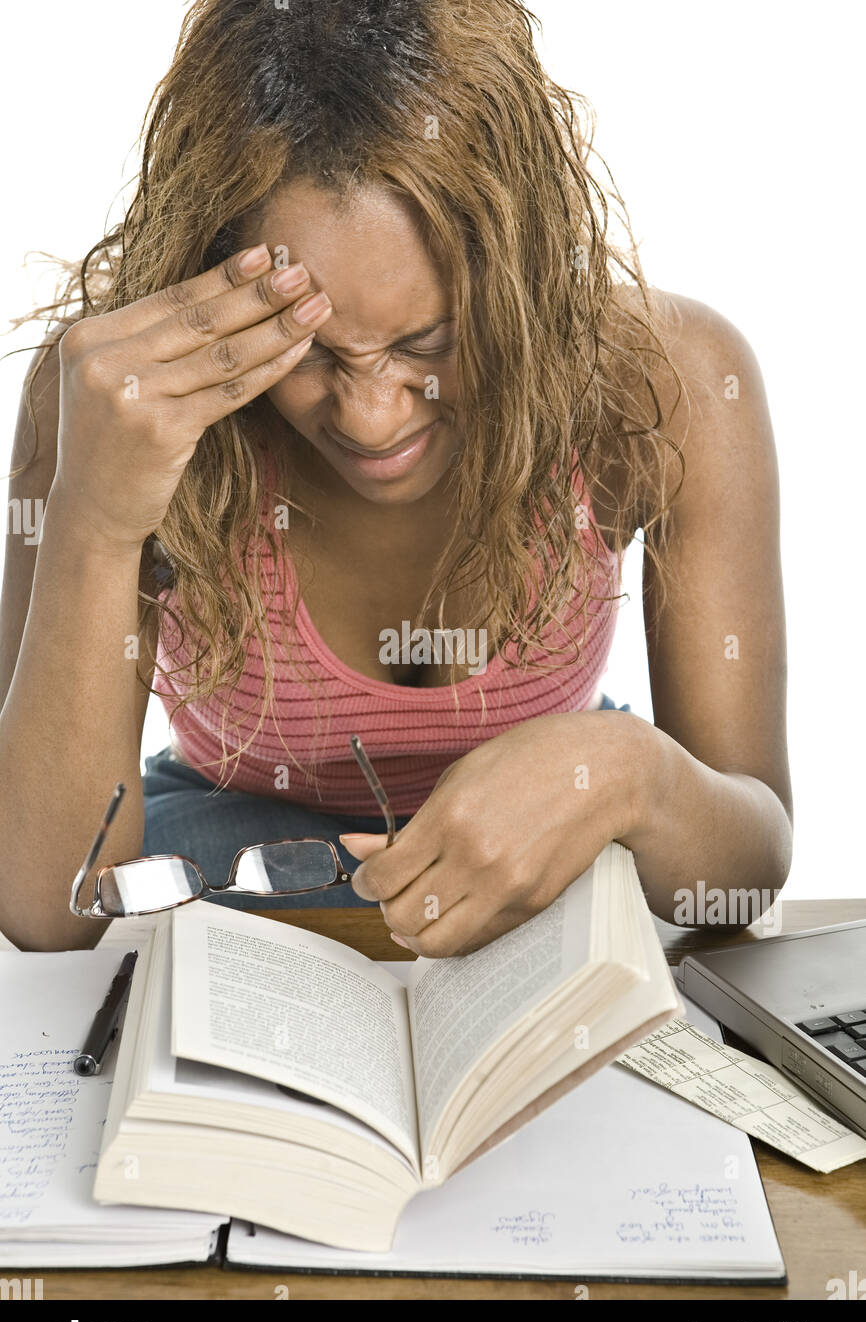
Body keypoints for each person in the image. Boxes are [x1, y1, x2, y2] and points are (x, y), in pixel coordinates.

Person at [0, 0, 791, 953]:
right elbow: (46, 914)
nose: (372, 419)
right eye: (310, 352)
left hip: (560, 834)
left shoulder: (666, 386)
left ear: (526, 283)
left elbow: (744, 882)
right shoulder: (109, 398)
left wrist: (634, 774)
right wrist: (93, 523)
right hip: (229, 860)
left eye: (433, 344)